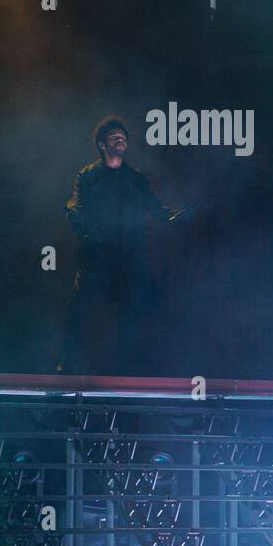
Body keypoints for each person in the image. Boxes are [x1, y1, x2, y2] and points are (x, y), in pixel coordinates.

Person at [63, 116, 179, 375]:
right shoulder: (88, 175)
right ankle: (70, 361)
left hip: (128, 256)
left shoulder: (134, 177)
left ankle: (131, 366)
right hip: (98, 255)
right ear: (102, 144)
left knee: (133, 310)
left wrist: (171, 216)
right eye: (115, 136)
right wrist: (89, 232)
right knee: (81, 306)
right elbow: (77, 206)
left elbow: (153, 205)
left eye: (123, 136)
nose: (121, 139)